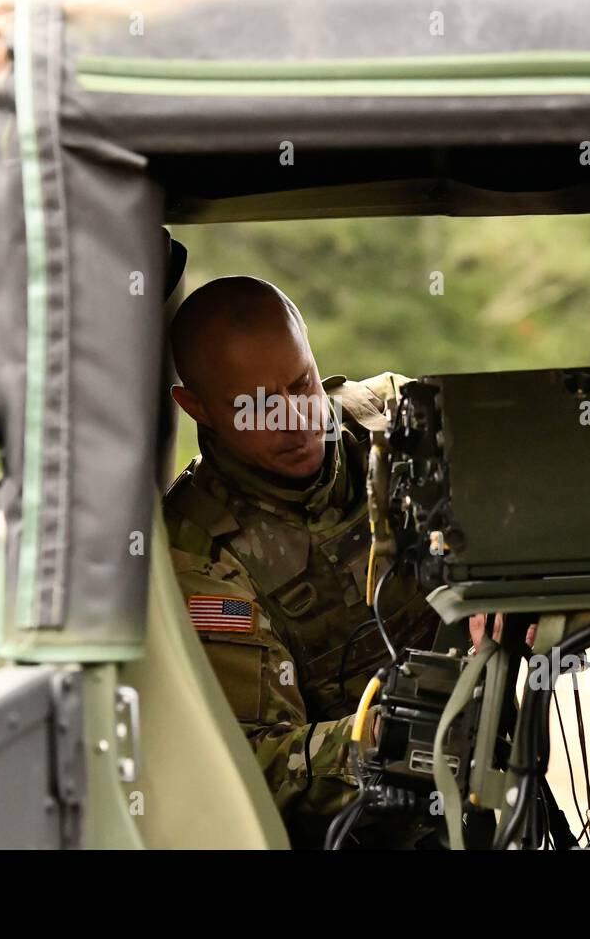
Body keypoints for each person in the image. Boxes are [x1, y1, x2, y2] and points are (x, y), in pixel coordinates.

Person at [163, 275, 447, 845]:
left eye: (302, 384)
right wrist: (392, 737)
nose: (295, 420)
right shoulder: (197, 553)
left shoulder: (395, 423)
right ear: (196, 407)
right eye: (259, 406)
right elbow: (254, 765)